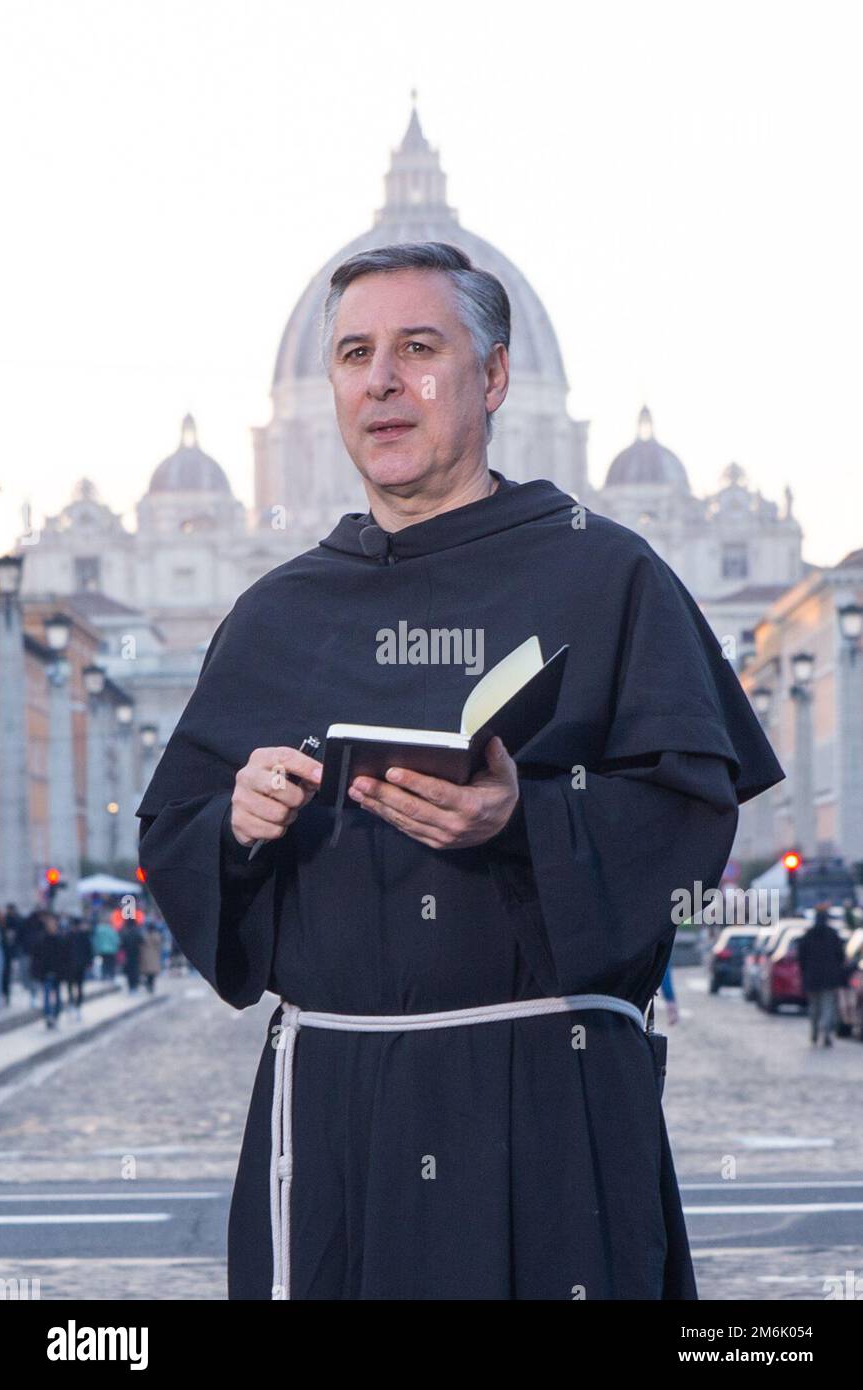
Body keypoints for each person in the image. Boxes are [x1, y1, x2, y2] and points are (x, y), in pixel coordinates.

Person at [137, 241, 785, 1302]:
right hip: (339, 1120)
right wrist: (233, 826)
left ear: (490, 379)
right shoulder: (273, 614)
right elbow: (176, 835)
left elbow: (688, 824)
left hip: (550, 1104)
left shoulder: (607, 572)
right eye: (353, 353)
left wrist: (521, 817)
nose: (381, 379)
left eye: (417, 347)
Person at [797, 902, 848, 1047]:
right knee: (827, 1007)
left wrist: (804, 972)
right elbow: (841, 956)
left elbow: (801, 958)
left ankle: (815, 1032)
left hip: (812, 978)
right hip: (829, 978)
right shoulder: (832, 935)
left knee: (814, 1007)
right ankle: (825, 1032)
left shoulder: (808, 935)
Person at [30, 915, 68, 1030]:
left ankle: (55, 1015)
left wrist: (63, 972)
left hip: (57, 973)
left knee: (57, 996)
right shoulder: (42, 939)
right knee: (47, 995)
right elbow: (37, 957)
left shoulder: (60, 939)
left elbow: (64, 958)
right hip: (46, 972)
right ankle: (48, 1016)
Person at [64, 919, 94, 1019]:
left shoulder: (79, 936)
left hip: (76, 965)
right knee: (74, 986)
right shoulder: (73, 936)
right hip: (73, 965)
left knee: (75, 986)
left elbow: (89, 950)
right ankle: (74, 1005)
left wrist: (89, 963)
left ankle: (75, 1005)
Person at [139, 925, 162, 993]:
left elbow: (140, 946)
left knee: (147, 974)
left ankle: (148, 985)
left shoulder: (144, 936)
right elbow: (159, 946)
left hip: (145, 957)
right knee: (152, 974)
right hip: (154, 957)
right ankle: (151, 987)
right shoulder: (156, 936)